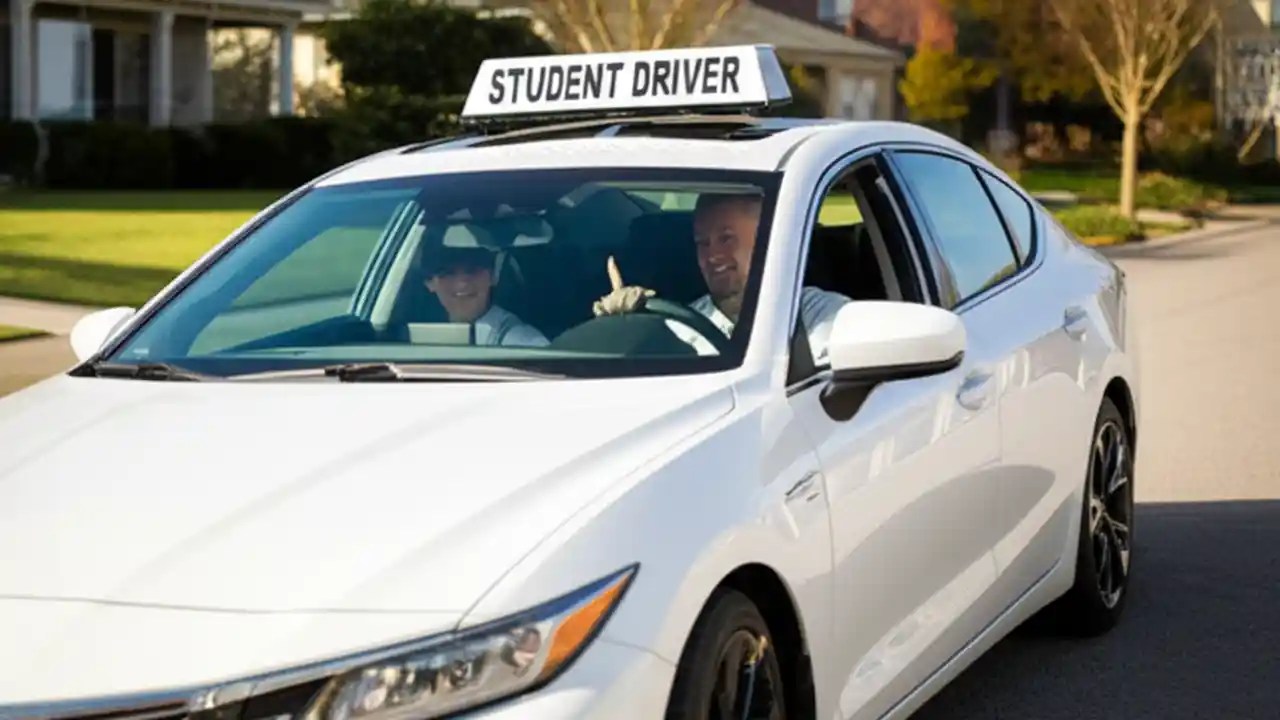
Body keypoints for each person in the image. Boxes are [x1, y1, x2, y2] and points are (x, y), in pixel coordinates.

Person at [593, 192, 851, 362]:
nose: (712, 255)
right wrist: (619, 328)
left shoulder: (821, 317)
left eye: (726, 239)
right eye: (702, 243)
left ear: (768, 240)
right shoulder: (676, 328)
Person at [421, 244, 549, 347]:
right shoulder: (411, 341)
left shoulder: (520, 341)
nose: (462, 283)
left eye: (472, 271)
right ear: (429, 282)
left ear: (493, 277)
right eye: (447, 273)